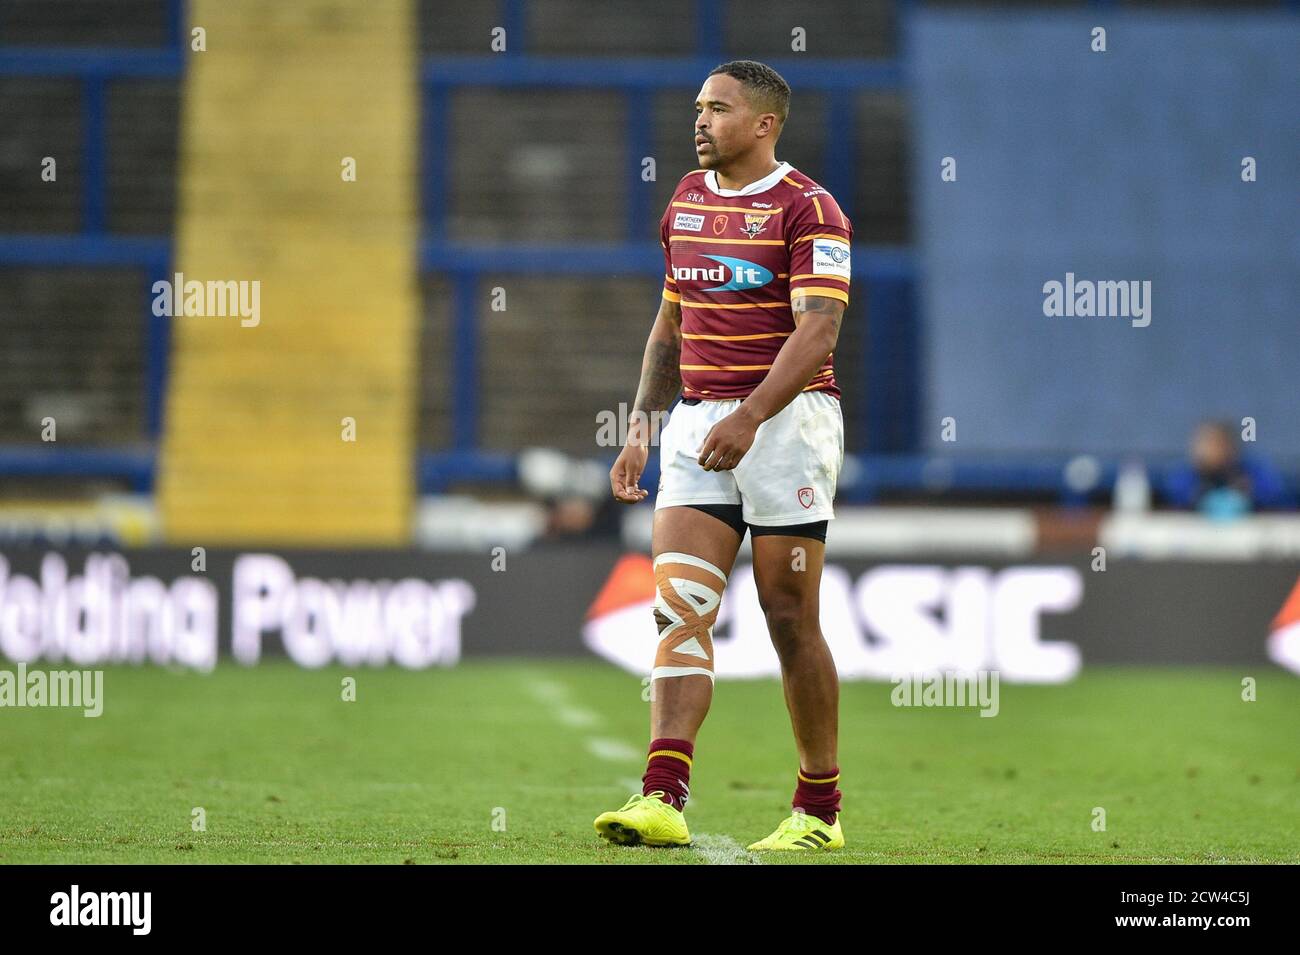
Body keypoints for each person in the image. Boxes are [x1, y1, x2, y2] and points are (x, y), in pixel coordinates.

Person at [593, 60, 851, 852]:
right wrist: (642, 421)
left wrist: (751, 415)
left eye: (718, 109)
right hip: (699, 425)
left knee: (786, 616)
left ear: (765, 124)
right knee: (679, 607)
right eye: (698, 108)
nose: (699, 120)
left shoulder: (811, 209)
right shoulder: (686, 200)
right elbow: (670, 322)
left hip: (787, 426)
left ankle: (819, 808)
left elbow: (818, 332)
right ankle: (661, 795)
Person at [1162, 421, 1294, 518]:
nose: (1203, 452)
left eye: (1213, 445)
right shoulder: (1186, 477)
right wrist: (1198, 494)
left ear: (1228, 448)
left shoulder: (1251, 473)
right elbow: (1172, 498)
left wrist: (1248, 493)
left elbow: (1276, 498)